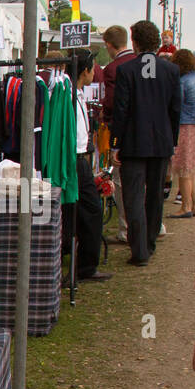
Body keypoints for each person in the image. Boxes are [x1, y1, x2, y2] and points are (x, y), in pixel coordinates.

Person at [111, 20, 181, 267]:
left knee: (133, 196)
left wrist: (115, 143)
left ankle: (139, 249)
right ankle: (150, 242)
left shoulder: (126, 70)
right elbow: (175, 109)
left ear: (135, 42)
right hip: (161, 142)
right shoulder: (171, 71)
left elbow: (121, 110)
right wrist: (172, 141)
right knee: (154, 197)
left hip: (133, 142)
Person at [69, 50, 110, 282]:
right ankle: (86, 267)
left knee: (88, 209)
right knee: (91, 209)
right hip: (76, 158)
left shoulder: (76, 94)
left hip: (80, 157)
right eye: (93, 68)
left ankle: (85, 264)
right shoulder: (70, 95)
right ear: (85, 71)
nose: (95, 72)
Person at [101, 25, 136, 243]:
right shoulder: (139, 63)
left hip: (122, 132)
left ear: (109, 45)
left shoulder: (113, 68)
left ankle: (125, 228)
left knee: (121, 183)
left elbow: (113, 102)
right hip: (143, 133)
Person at [167, 48, 195, 218]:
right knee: (193, 167)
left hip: (185, 126)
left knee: (183, 167)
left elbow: (176, 106)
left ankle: (185, 206)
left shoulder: (182, 82)